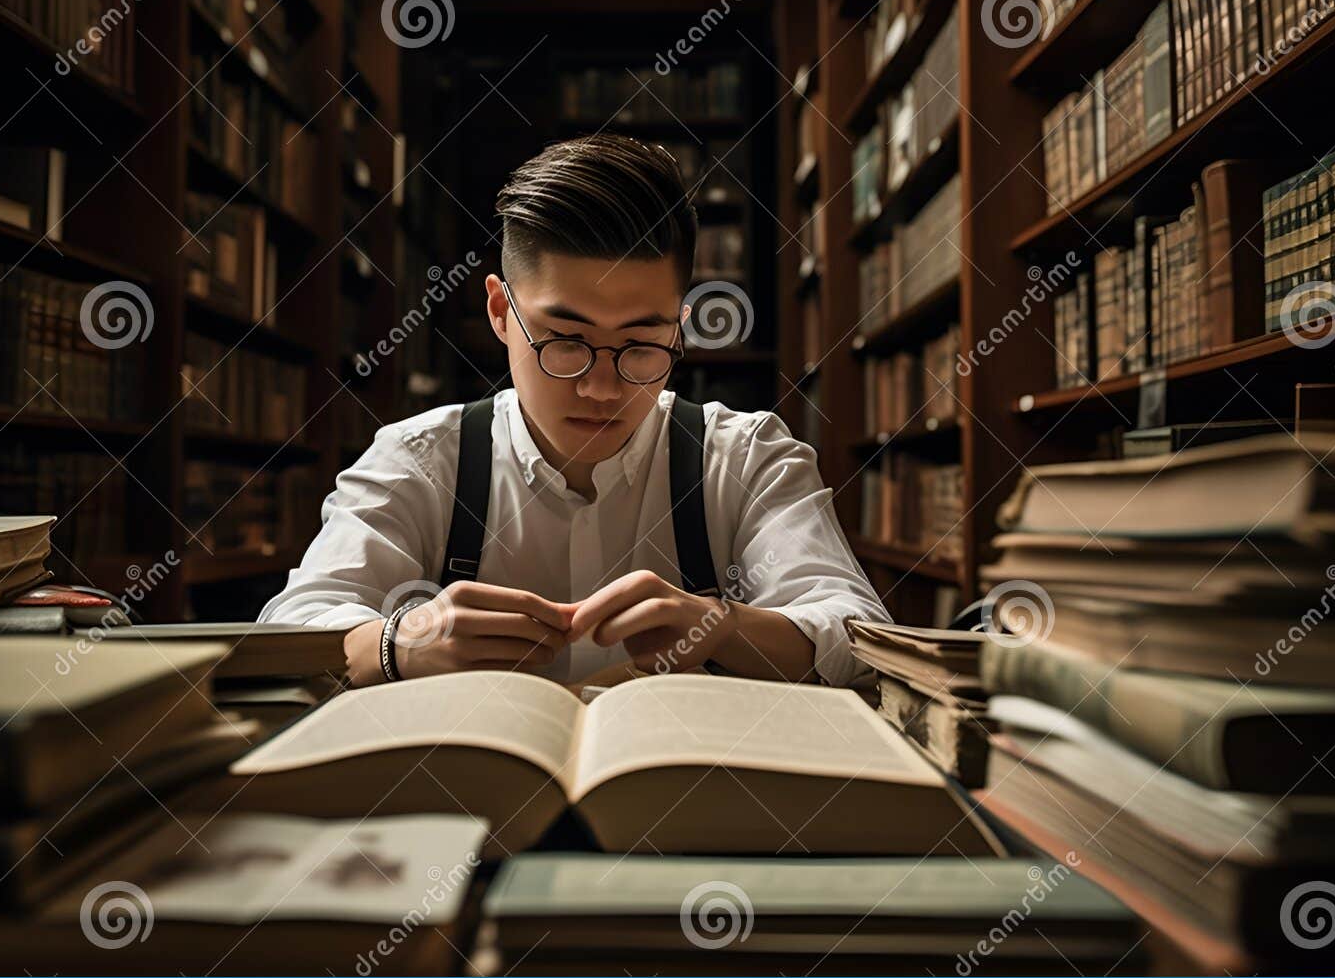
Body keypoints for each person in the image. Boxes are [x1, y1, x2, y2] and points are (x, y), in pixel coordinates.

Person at [257, 133, 888, 686]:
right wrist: (398, 643)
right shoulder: (420, 461)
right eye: (565, 341)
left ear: (679, 328)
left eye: (641, 344)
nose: (602, 389)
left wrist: (722, 626)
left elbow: (859, 632)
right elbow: (292, 628)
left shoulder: (747, 458)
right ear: (501, 312)